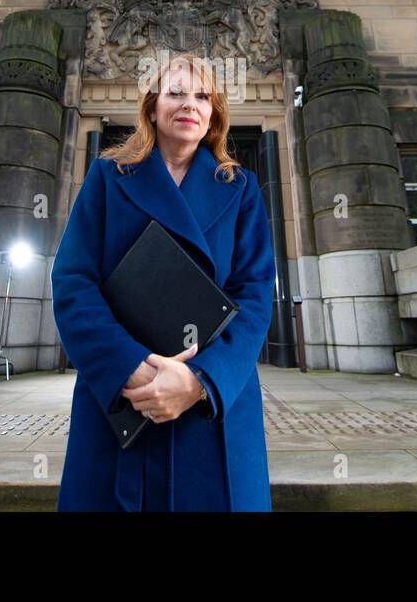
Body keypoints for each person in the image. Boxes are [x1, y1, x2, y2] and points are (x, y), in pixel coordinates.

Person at [52, 51, 277, 511]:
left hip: (211, 405)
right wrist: (129, 365)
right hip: (123, 393)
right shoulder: (107, 178)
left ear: (214, 112)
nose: (189, 104)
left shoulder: (241, 187)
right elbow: (73, 281)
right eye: (175, 93)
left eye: (202, 96)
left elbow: (254, 296)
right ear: (152, 105)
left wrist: (200, 381)